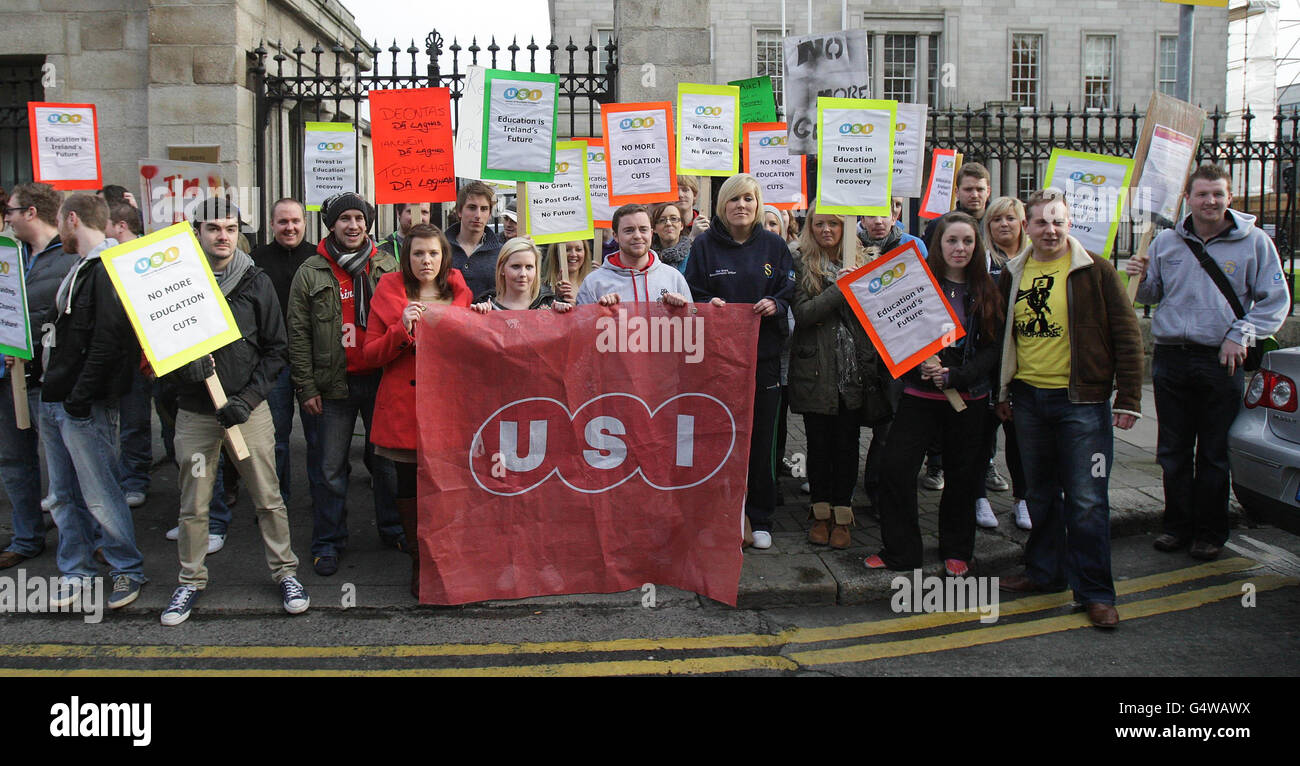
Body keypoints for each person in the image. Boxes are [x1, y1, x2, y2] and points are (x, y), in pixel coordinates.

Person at [996, 188, 1143, 629]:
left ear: (1069, 223)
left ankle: (1096, 592)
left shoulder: (1094, 270)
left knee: (1086, 501)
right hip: (1028, 400)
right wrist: (1003, 394)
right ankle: (1045, 573)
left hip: (1083, 403)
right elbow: (1005, 339)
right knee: (1039, 495)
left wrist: (1131, 398)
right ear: (1028, 227)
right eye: (1040, 222)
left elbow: (1127, 335)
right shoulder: (1013, 272)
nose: (1050, 229)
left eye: (1057, 221)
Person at [1129, 164, 1290, 561]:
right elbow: (1152, 295)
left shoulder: (1254, 243)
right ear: (1188, 198)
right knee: (1173, 451)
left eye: (1217, 194)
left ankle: (1211, 532)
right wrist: (1140, 276)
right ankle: (1177, 526)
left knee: (1215, 454)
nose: (1210, 201)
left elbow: (1275, 301)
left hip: (1222, 361)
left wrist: (1241, 335)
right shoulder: (1167, 241)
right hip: (1170, 359)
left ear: (1229, 197)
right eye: (1202, 194)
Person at [159, 199, 308, 626]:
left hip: (248, 410)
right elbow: (158, 350)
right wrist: (182, 371)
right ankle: (189, 580)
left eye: (229, 228)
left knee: (268, 496)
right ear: (197, 232)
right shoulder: (178, 284)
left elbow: (276, 348)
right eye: (212, 228)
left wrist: (247, 398)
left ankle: (286, 573)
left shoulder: (254, 281)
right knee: (195, 501)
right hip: (196, 413)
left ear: (238, 232)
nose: (221, 235)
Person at [865, 213, 1004, 576]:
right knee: (896, 470)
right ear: (938, 245)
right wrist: (918, 367)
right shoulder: (917, 285)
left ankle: (957, 549)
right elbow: (892, 334)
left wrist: (956, 375)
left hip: (968, 399)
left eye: (968, 241)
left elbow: (993, 349)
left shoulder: (987, 288)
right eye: (952, 241)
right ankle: (901, 551)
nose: (960, 248)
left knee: (963, 476)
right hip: (918, 396)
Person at [37, 193, 145, 610]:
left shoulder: (107, 270)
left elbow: (109, 341)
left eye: (60, 222)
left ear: (72, 219)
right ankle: (77, 569)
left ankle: (126, 568)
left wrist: (80, 398)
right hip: (57, 395)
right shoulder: (84, 267)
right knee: (63, 492)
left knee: (99, 490)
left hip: (82, 402)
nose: (57, 230)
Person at [287, 191, 402, 576]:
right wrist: (306, 387)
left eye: (359, 218)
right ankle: (328, 542)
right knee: (330, 469)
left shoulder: (386, 264)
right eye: (344, 219)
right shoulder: (311, 272)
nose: (353, 225)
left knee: (385, 464)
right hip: (332, 386)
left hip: (381, 379)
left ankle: (393, 529)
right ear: (331, 225)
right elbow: (298, 335)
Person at [361, 223, 472, 596]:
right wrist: (401, 330)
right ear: (407, 258)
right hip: (405, 407)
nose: (427, 261)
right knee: (410, 488)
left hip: (448, 406)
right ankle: (419, 562)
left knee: (446, 487)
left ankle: (448, 559)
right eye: (418, 254)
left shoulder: (460, 292)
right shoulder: (389, 290)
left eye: (434, 253)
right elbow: (370, 354)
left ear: (445, 257)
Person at [685, 173, 793, 550]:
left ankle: (759, 515)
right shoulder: (703, 247)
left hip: (762, 358)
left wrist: (776, 304)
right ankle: (717, 512)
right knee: (717, 437)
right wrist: (707, 306)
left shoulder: (775, 246)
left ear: (757, 203)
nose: (741, 205)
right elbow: (691, 291)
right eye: (734, 199)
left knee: (761, 439)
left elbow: (788, 290)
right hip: (716, 360)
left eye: (748, 198)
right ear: (722, 205)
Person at [789, 201, 891, 549]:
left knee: (847, 447)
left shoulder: (868, 261)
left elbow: (881, 315)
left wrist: (860, 284)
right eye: (819, 224)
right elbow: (803, 314)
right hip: (815, 371)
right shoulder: (800, 260)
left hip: (853, 372)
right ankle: (819, 514)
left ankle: (843, 515)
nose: (827, 230)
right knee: (818, 447)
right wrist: (841, 288)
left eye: (834, 224)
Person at [0, 182, 76, 569]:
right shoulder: (8, 254)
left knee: (66, 470)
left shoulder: (66, 259)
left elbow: (73, 324)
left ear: (31, 212)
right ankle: (27, 537)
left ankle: (82, 546)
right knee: (14, 462)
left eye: (12, 210)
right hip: (6, 377)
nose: (7, 216)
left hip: (47, 382)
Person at [250, 198, 317, 505]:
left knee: (319, 438)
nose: (290, 227)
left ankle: (322, 498)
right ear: (272, 223)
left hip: (313, 363)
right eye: (283, 222)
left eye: (295, 221)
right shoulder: (256, 259)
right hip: (271, 362)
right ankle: (277, 499)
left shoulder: (318, 257)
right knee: (275, 437)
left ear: (305, 222)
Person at [975, 196, 1031, 529]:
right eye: (996, 220)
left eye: (1010, 218)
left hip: (1023, 360)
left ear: (1022, 222)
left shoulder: (1034, 260)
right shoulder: (982, 260)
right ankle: (978, 496)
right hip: (988, 359)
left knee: (1020, 436)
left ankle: (1023, 498)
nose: (1003, 224)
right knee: (982, 435)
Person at [577, 204, 693, 307]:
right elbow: (581, 328)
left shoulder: (674, 278)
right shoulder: (594, 283)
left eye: (643, 229)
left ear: (651, 233)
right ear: (615, 236)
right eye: (629, 230)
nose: (637, 236)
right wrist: (598, 313)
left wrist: (684, 310)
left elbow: (694, 323)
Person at [471, 238, 569, 312]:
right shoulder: (485, 306)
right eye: (516, 266)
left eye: (529, 267)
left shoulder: (550, 304)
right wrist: (477, 316)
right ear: (502, 269)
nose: (523, 274)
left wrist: (562, 315)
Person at [446, 181, 503, 298]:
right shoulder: (439, 249)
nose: (478, 215)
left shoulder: (502, 253)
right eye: (472, 208)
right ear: (459, 211)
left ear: (490, 214)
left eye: (484, 209)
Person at [923, 163, 991, 245]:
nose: (974, 195)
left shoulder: (1000, 224)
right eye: (968, 189)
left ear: (988, 191)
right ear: (957, 192)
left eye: (980, 189)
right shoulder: (938, 226)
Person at [541, 239, 594, 304]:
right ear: (555, 254)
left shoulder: (593, 285)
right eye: (567, 250)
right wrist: (556, 299)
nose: (573, 254)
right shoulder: (541, 288)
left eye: (578, 249)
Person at [650, 201, 691, 274]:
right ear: (654, 229)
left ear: (681, 225)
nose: (668, 223)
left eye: (674, 219)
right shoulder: (648, 258)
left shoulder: (694, 254)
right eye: (662, 220)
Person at [677, 175, 708, 240]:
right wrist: (692, 237)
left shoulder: (708, 225)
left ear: (694, 195)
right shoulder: (664, 226)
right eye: (675, 190)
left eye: (685, 190)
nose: (680, 195)